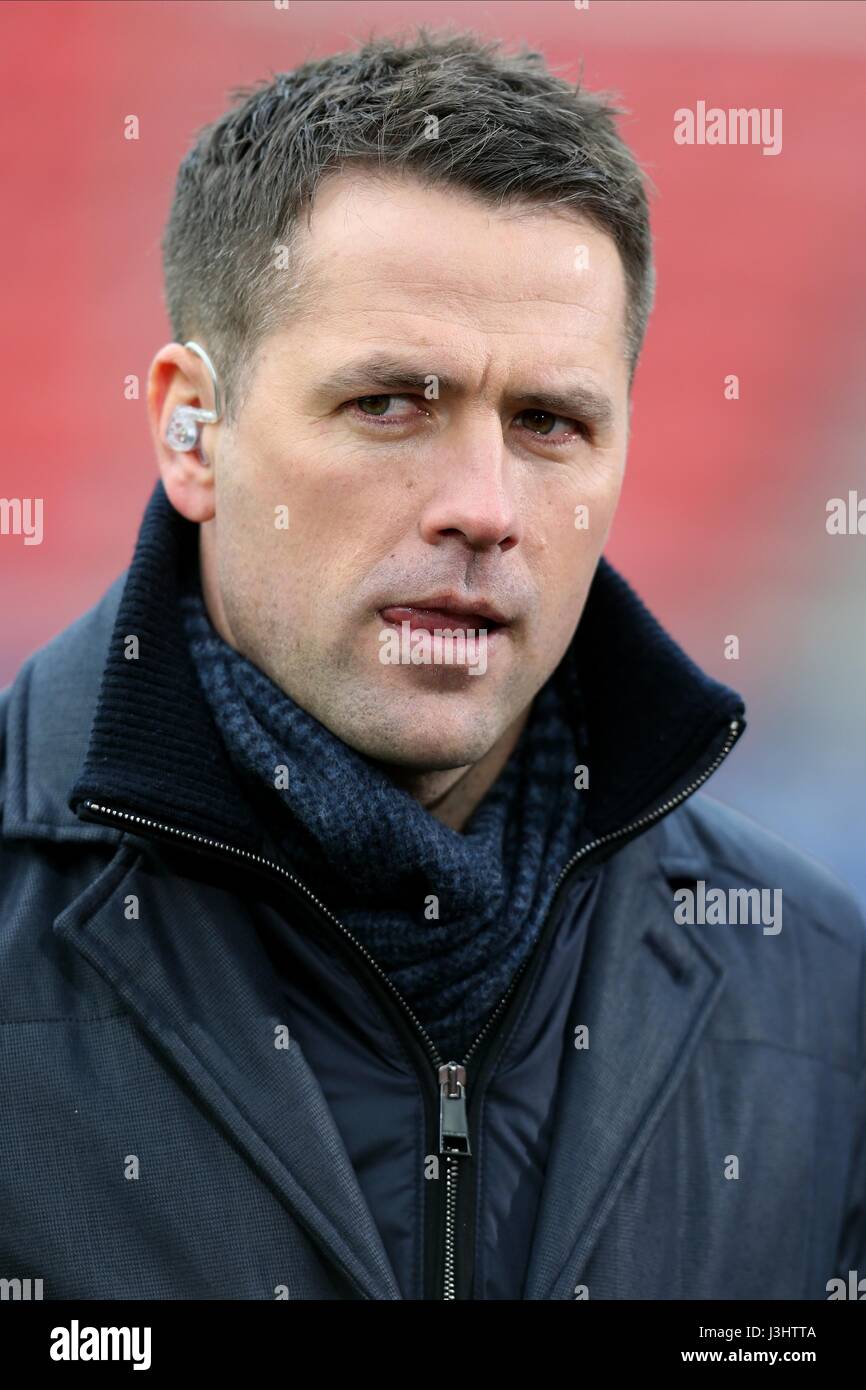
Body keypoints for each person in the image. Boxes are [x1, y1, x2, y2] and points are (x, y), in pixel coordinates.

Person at [1, 26, 863, 1302]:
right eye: (390, 404)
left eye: (548, 423)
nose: (481, 504)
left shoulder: (816, 994)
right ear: (193, 430)